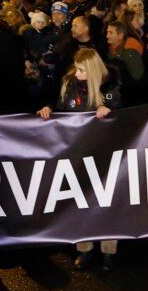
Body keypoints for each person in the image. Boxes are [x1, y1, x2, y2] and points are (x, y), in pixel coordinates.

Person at [38, 49, 121, 270]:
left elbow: (124, 117)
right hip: (78, 153)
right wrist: (49, 109)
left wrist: (110, 109)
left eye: (82, 69)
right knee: (81, 203)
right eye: (76, 67)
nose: (77, 73)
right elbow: (62, 110)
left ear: (93, 70)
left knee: (105, 204)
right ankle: (84, 250)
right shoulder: (69, 83)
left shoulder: (110, 86)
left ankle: (108, 252)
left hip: (104, 154)